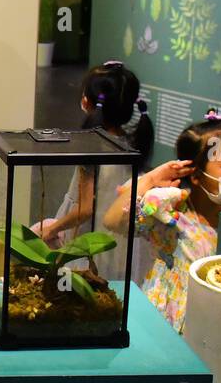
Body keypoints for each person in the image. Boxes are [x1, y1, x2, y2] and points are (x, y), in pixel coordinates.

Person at [101, 115, 221, 332]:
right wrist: (151, 179)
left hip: (215, 323)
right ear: (196, 174)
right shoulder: (173, 213)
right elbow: (112, 220)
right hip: (167, 324)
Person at [38, 60, 153, 256]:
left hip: (90, 240)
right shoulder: (132, 145)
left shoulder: (92, 149)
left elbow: (85, 209)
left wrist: (52, 229)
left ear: (87, 102)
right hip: (121, 241)